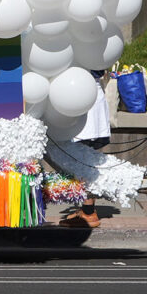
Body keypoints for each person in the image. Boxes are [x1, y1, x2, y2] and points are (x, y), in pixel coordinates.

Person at [57, 70, 112, 229]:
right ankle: (86, 209)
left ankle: (88, 212)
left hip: (82, 95)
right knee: (85, 159)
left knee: (84, 159)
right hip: (85, 93)